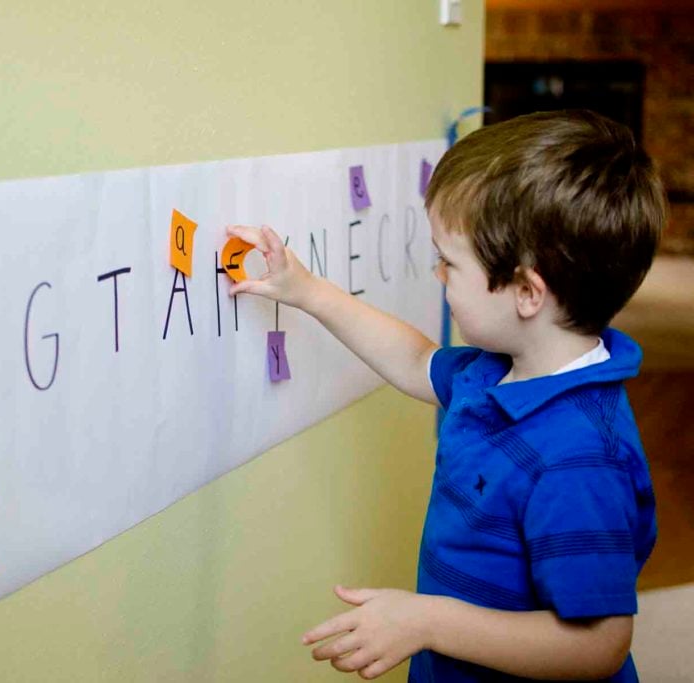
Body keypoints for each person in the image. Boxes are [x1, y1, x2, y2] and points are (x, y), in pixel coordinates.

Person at [227, 110, 665, 681]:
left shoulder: (579, 457)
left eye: (449, 262)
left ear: (527, 292)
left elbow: (597, 646)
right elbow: (413, 360)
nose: (437, 274)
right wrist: (307, 291)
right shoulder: (499, 370)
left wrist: (429, 622)